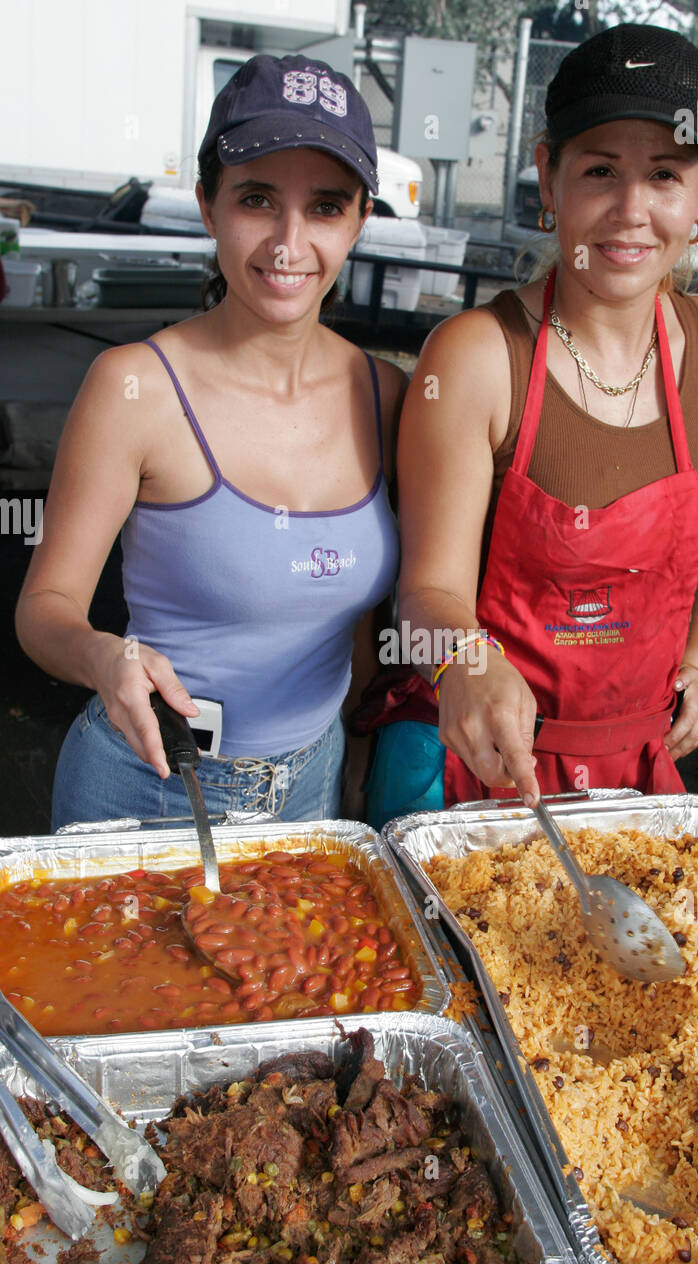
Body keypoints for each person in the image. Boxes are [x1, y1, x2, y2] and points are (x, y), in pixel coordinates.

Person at [361, 23, 698, 823]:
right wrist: (469, 659)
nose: (630, 211)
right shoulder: (478, 356)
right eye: (598, 172)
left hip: (633, 768)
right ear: (548, 177)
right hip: (469, 760)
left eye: (663, 175)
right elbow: (426, 593)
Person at [16, 55, 403, 830]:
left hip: (312, 783)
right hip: (146, 779)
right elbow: (44, 608)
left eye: (324, 207)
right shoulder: (134, 387)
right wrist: (102, 656)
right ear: (207, 205)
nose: (288, 244)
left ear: (359, 220)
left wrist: (356, 750)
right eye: (257, 200)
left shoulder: (387, 395)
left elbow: (363, 625)